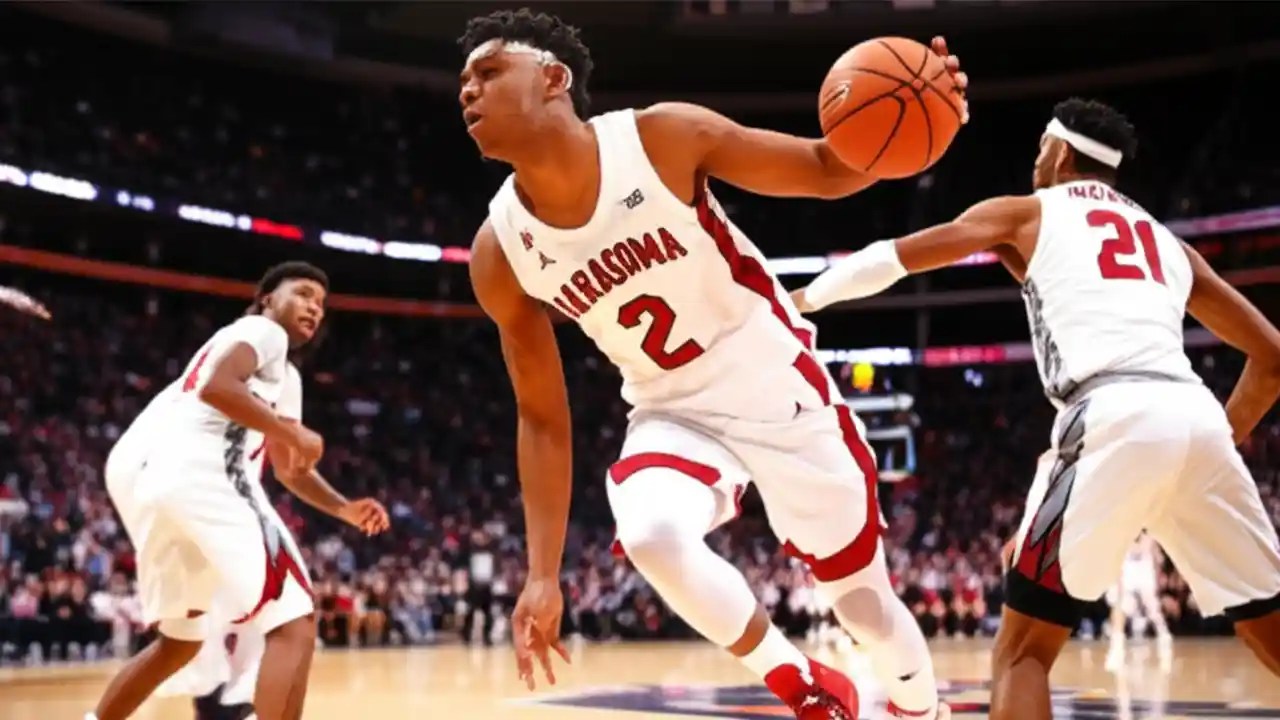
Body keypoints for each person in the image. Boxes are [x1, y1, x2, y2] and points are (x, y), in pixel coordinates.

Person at [459, 9, 968, 719]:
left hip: (773, 378)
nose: (467, 92)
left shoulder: (661, 138)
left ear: (553, 78)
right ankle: (804, 684)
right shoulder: (499, 253)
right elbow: (542, 417)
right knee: (649, 532)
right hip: (669, 406)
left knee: (864, 607)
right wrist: (541, 574)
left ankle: (922, 711)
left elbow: (825, 166)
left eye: (487, 73)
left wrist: (923, 120)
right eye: (464, 81)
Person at [792, 97, 1280, 720]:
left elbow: (895, 257)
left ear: (1060, 152)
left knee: (1022, 653)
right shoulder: (1170, 244)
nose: (1033, 162)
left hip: (1109, 408)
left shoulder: (1025, 212)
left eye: (1039, 150)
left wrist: (802, 299)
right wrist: (1211, 443)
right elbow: (1271, 356)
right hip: (1193, 410)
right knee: (1269, 626)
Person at [90, 262, 391, 720]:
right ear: (268, 298)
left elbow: (290, 472)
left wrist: (343, 508)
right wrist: (293, 435)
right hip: (208, 476)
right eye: (304, 294)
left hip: (164, 489)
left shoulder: (285, 378)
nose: (315, 307)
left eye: (322, 303)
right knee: (295, 620)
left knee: (179, 642)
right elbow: (217, 388)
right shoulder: (261, 330)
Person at [1104, 533, 1173, 673]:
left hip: (1145, 574)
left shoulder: (1150, 538)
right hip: (1127, 573)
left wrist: (1158, 572)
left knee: (1153, 609)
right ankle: (1117, 647)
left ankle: (1164, 635)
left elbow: (1157, 559)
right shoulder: (1122, 536)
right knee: (1119, 606)